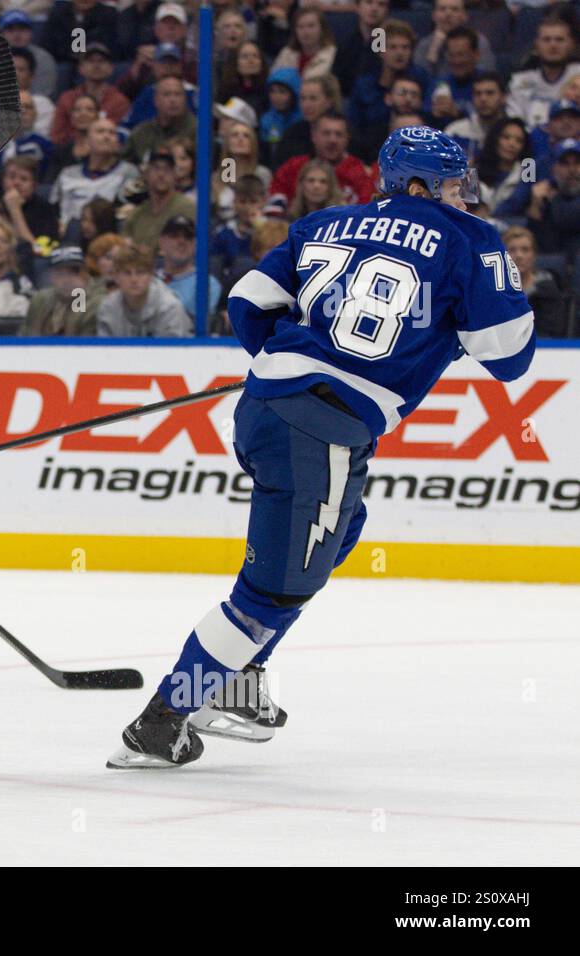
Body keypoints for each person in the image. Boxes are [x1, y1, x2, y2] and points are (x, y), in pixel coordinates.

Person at [105, 126, 536, 768]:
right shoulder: (470, 239)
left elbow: (247, 302)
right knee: (272, 592)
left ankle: (240, 681)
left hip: (268, 411)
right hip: (322, 431)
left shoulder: (326, 222)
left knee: (342, 529)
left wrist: (297, 360)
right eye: (451, 183)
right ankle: (164, 720)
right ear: (417, 184)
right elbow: (508, 358)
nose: (462, 194)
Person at [95, 241, 190, 338]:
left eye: (141, 272)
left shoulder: (170, 308)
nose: (134, 279)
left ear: (151, 275)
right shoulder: (108, 306)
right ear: (116, 276)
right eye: (127, 273)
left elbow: (174, 351)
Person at [20, 245, 102, 337]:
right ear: (51, 276)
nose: (67, 279)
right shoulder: (40, 299)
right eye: (60, 273)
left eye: (74, 272)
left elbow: (86, 347)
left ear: (86, 272)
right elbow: (25, 340)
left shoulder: (99, 302)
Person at [503, 227, 566, 338]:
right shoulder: (493, 291)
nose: (519, 256)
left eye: (525, 250)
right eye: (512, 250)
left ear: (534, 255)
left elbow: (552, 331)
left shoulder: (548, 291)